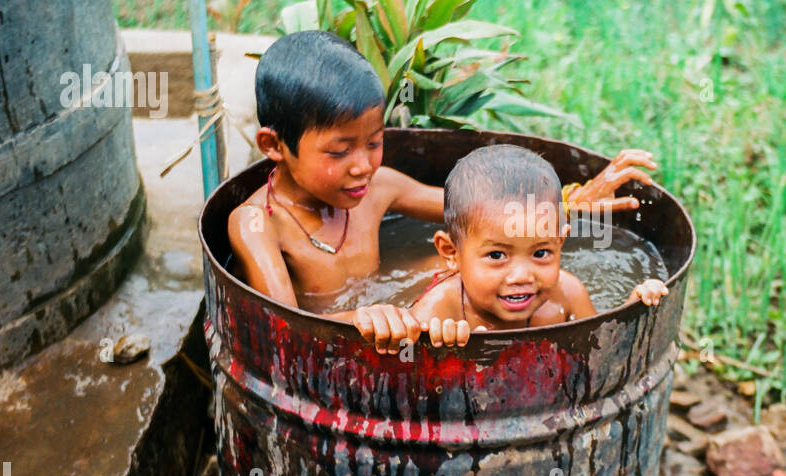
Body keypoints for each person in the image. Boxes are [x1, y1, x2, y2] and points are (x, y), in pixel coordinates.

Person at [227, 30, 656, 341]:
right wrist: (363, 318)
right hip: (358, 333)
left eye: (374, 143)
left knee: (493, 258)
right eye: (340, 152)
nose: (363, 167)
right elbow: (280, 326)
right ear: (274, 145)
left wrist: (573, 201)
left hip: (408, 305)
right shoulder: (256, 224)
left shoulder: (380, 188)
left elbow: (487, 214)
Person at [357, 144, 668, 352]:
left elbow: (602, 353)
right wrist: (439, 352)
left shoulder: (568, 294)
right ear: (451, 253)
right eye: (496, 255)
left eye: (541, 253)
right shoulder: (440, 311)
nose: (521, 275)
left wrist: (634, 308)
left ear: (561, 242)